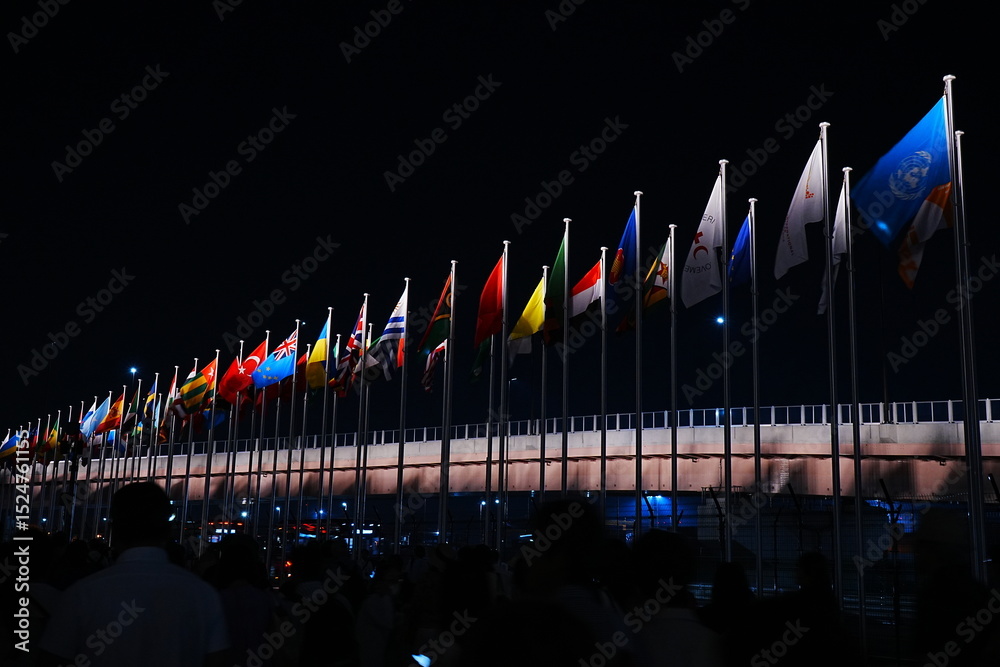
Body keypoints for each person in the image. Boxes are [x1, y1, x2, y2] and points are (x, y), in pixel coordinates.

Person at [37, 482, 229, 666]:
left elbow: (52, 658)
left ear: (114, 530)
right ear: (168, 530)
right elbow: (217, 660)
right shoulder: (203, 595)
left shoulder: (81, 594)